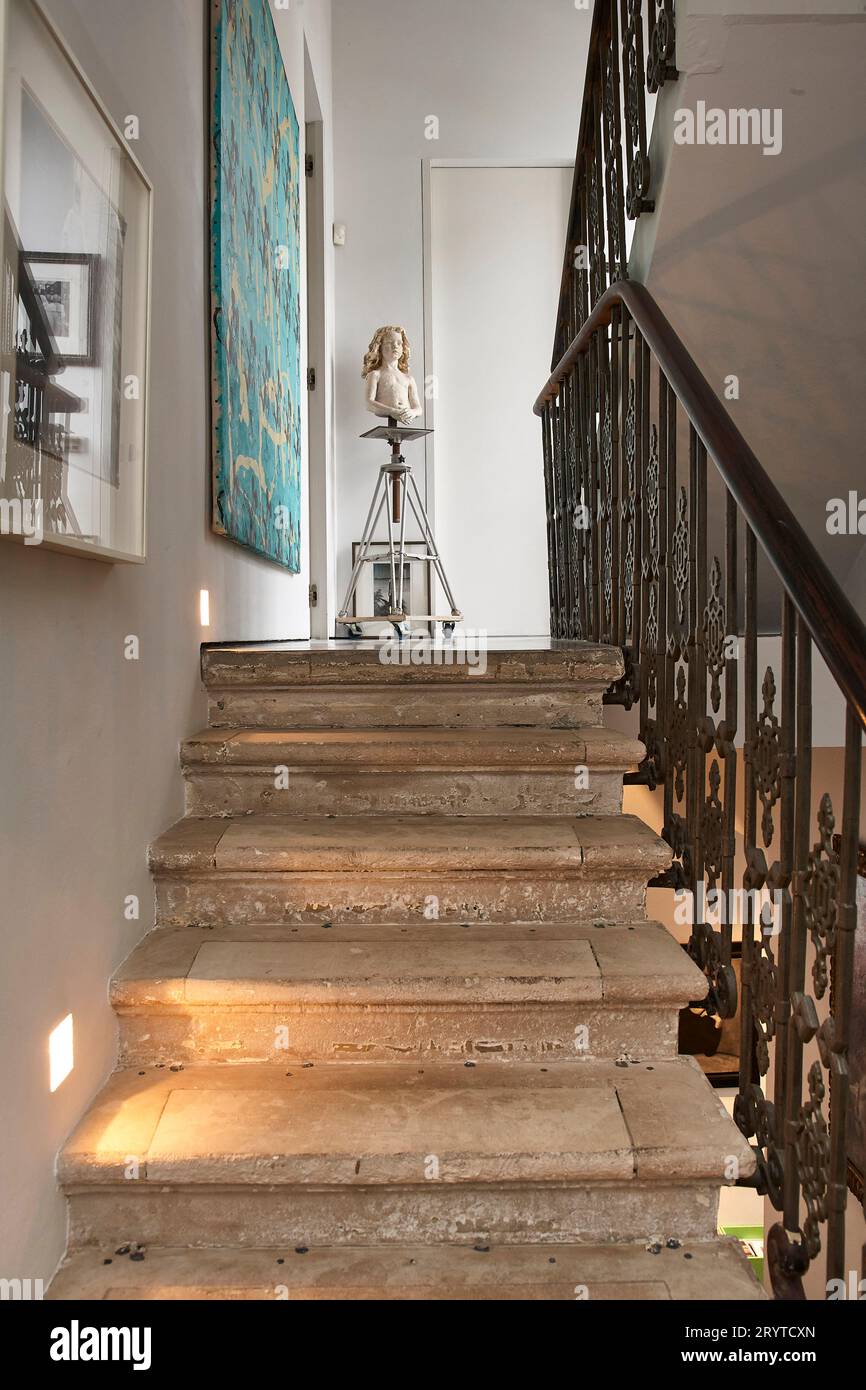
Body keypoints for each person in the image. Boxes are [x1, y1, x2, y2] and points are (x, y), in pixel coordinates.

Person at [362, 325, 423, 426]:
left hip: (403, 415)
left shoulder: (408, 378)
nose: (395, 346)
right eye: (389, 342)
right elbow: (369, 403)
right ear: (379, 347)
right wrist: (392, 411)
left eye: (399, 343)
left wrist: (411, 412)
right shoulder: (375, 375)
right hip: (391, 414)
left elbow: (418, 408)